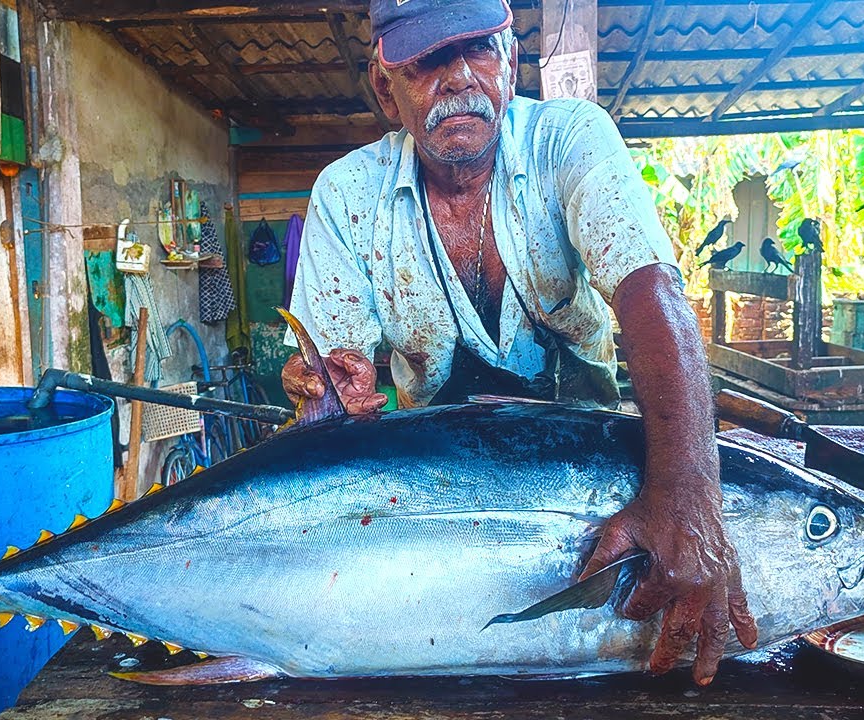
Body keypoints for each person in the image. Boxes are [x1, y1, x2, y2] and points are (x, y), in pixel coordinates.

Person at [281, 0, 757, 685]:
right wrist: (336, 382)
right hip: (433, 495)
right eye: (427, 61)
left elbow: (649, 289)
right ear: (386, 88)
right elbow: (332, 380)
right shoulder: (347, 192)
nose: (458, 77)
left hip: (591, 479)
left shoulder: (568, 139)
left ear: (509, 60)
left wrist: (686, 492)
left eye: (478, 48)